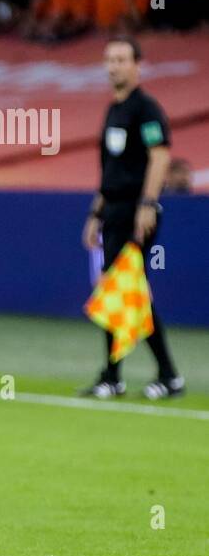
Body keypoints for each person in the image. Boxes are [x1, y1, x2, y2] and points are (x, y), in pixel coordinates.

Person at [79, 36, 183, 400]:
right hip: (115, 210)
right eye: (109, 59)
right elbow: (110, 169)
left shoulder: (145, 109)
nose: (113, 66)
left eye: (122, 59)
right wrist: (96, 211)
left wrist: (148, 204)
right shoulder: (113, 110)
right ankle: (151, 375)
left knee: (122, 290)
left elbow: (159, 156)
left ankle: (121, 376)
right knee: (124, 293)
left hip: (136, 211)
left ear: (138, 65)